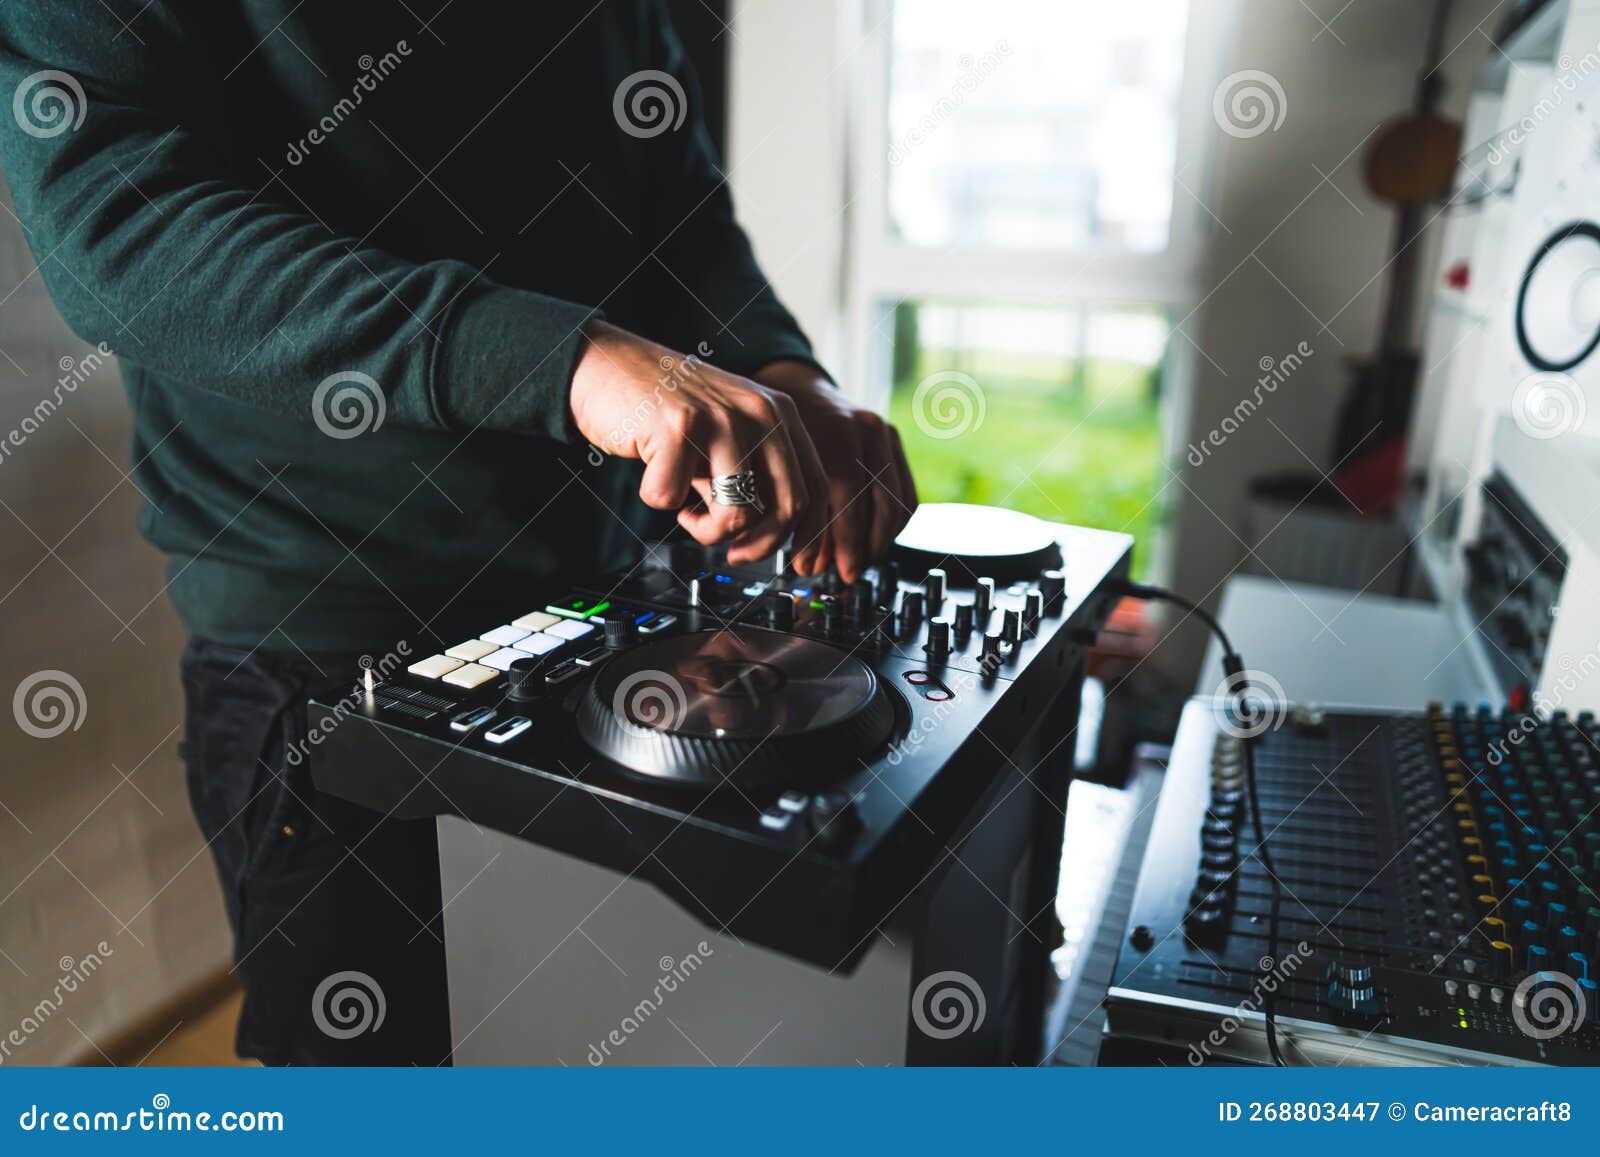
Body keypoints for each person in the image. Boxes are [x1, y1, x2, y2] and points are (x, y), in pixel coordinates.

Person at [0, 1, 916, 1065]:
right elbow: (127, 231)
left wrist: (786, 376)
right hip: (332, 652)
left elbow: (674, 210)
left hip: (618, 606)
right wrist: (564, 362)